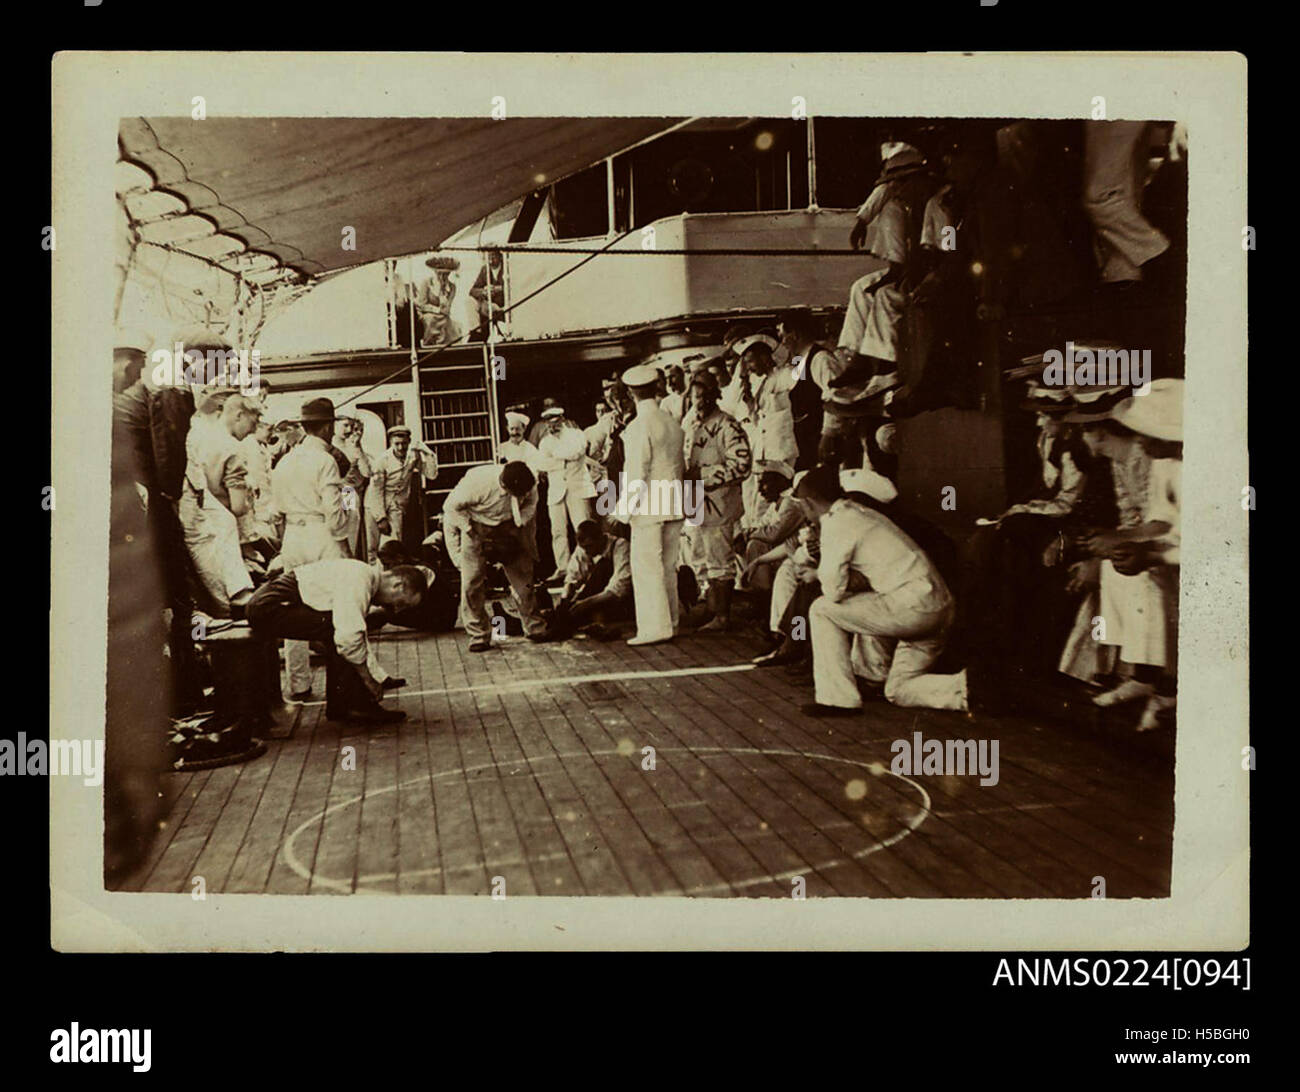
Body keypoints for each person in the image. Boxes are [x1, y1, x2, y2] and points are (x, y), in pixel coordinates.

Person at [794, 465, 969, 716]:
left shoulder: (837, 523)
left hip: (913, 610)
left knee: (822, 609)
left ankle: (838, 699)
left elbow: (833, 592)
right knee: (898, 690)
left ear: (809, 502)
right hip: (939, 609)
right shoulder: (861, 513)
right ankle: (967, 687)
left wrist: (816, 575)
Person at [247, 559, 425, 725]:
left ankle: (344, 704)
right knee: (345, 631)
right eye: (401, 603)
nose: (396, 609)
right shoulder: (359, 580)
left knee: (345, 627)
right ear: (398, 585)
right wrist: (368, 679)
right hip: (268, 606)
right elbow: (348, 638)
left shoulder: (362, 573)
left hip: (270, 602)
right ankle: (352, 706)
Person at [270, 397, 360, 700]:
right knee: (340, 605)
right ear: (325, 428)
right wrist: (344, 541)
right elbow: (335, 514)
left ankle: (298, 684)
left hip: (293, 536)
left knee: (292, 607)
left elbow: (276, 509)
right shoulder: (325, 461)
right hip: (322, 534)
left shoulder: (285, 460)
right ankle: (345, 686)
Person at [834, 142, 935, 400]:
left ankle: (887, 367)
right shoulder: (902, 202)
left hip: (932, 279)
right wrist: (861, 221)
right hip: (906, 272)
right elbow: (881, 194)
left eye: (901, 183)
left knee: (884, 297)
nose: (896, 189)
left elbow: (949, 250)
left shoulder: (938, 206)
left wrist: (929, 275)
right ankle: (859, 360)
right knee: (861, 288)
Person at [615, 363, 687, 646]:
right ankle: (672, 621)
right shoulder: (671, 421)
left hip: (648, 506)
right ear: (655, 388)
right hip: (673, 501)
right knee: (668, 566)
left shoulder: (638, 426)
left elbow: (637, 472)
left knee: (647, 568)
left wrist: (622, 512)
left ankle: (655, 628)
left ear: (632, 392)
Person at [443, 460, 549, 652]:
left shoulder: (529, 482)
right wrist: (470, 532)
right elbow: (450, 507)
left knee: (524, 578)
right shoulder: (477, 484)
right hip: (476, 525)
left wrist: (518, 526)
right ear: (505, 485)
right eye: (518, 493)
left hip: (510, 525)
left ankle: (534, 626)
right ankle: (478, 635)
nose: (524, 495)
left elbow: (531, 505)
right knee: (471, 582)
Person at [179, 387, 260, 618]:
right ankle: (230, 603)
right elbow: (238, 507)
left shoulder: (203, 436)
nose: (254, 429)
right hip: (201, 501)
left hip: (202, 498)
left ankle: (233, 598)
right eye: (254, 421)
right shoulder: (231, 446)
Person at [681, 372, 750, 631]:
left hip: (719, 504)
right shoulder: (690, 424)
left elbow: (742, 465)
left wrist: (704, 475)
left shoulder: (728, 425)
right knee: (700, 558)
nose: (699, 401)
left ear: (715, 395)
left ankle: (722, 615)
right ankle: (710, 610)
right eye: (695, 396)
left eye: (704, 395)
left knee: (720, 560)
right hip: (695, 504)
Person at [720, 335, 798, 529]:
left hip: (780, 451)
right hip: (761, 451)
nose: (749, 367)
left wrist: (782, 351)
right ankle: (757, 537)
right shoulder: (761, 383)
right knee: (754, 502)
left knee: (774, 503)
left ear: (765, 357)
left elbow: (801, 367)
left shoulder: (786, 375)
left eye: (751, 361)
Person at [536, 404, 597, 580]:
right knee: (558, 532)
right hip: (556, 491)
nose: (551, 427)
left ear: (562, 420)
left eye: (554, 423)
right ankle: (563, 568)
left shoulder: (577, 435)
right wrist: (562, 460)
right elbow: (542, 464)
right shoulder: (545, 442)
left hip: (577, 487)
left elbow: (577, 453)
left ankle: (585, 567)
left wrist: (555, 457)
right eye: (548, 424)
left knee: (582, 529)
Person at [548, 519, 633, 638]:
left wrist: (585, 604)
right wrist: (566, 597)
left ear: (601, 538)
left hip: (623, 601)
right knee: (566, 608)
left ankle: (600, 623)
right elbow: (573, 575)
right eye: (583, 548)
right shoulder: (584, 548)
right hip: (600, 598)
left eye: (589, 546)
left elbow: (619, 589)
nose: (586, 552)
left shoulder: (621, 547)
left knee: (602, 567)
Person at [367, 424, 439, 553]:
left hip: (396, 506)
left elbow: (431, 475)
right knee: (372, 547)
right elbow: (376, 490)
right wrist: (380, 518)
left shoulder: (413, 456)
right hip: (374, 504)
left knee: (393, 545)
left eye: (404, 444)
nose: (401, 448)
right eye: (397, 444)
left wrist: (428, 453)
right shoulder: (382, 460)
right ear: (391, 443)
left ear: (409, 442)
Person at [416, 255, 463, 346]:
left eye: (445, 274)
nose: (442, 276)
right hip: (427, 314)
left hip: (444, 316)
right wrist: (436, 310)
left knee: (451, 324)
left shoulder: (452, 287)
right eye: (439, 273)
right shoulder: (427, 283)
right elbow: (421, 304)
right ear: (435, 272)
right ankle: (429, 344)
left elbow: (447, 308)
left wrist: (442, 291)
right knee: (431, 320)